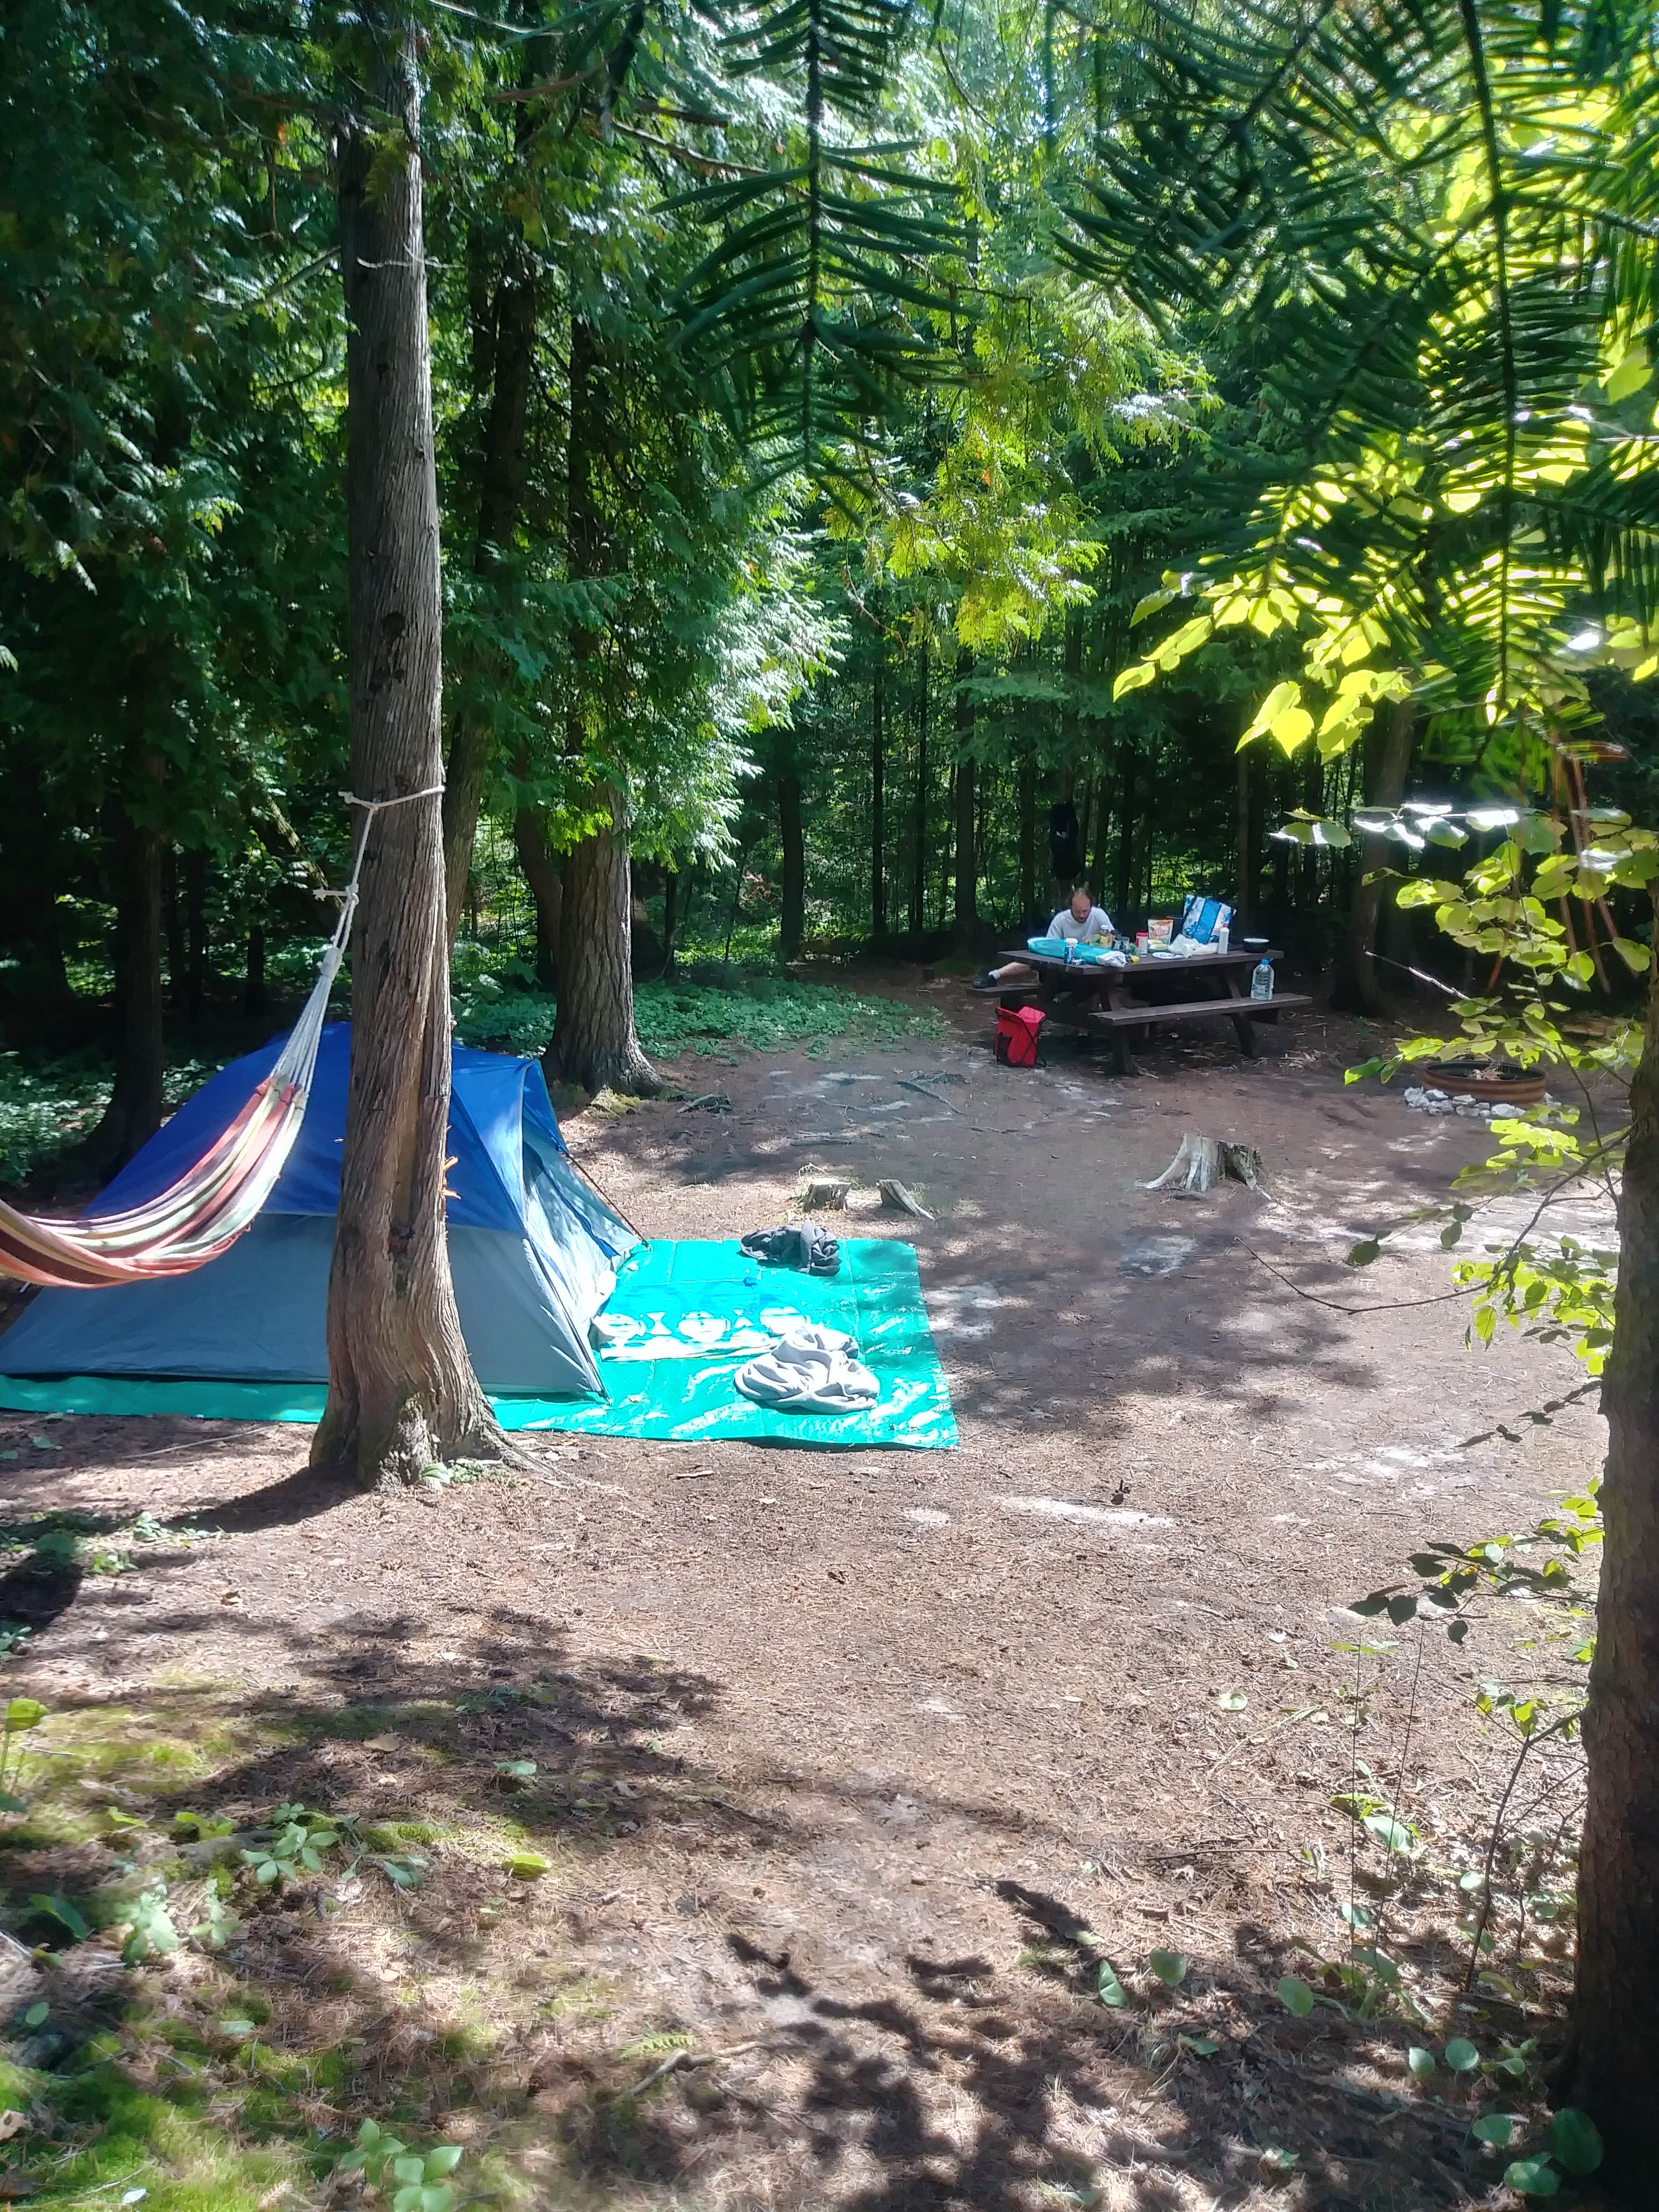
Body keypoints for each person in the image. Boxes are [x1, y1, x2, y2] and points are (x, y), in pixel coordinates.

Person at [973, 884, 1115, 992]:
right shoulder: (1061, 920)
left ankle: (1088, 1026)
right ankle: (994, 975)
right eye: (1078, 911)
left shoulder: (1099, 915)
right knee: (1033, 961)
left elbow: (1112, 937)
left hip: (1092, 968)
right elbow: (1047, 950)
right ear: (1070, 906)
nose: (1082, 915)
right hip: (1062, 972)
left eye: (1085, 911)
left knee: (1097, 982)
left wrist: (1097, 941)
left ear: (1091, 906)